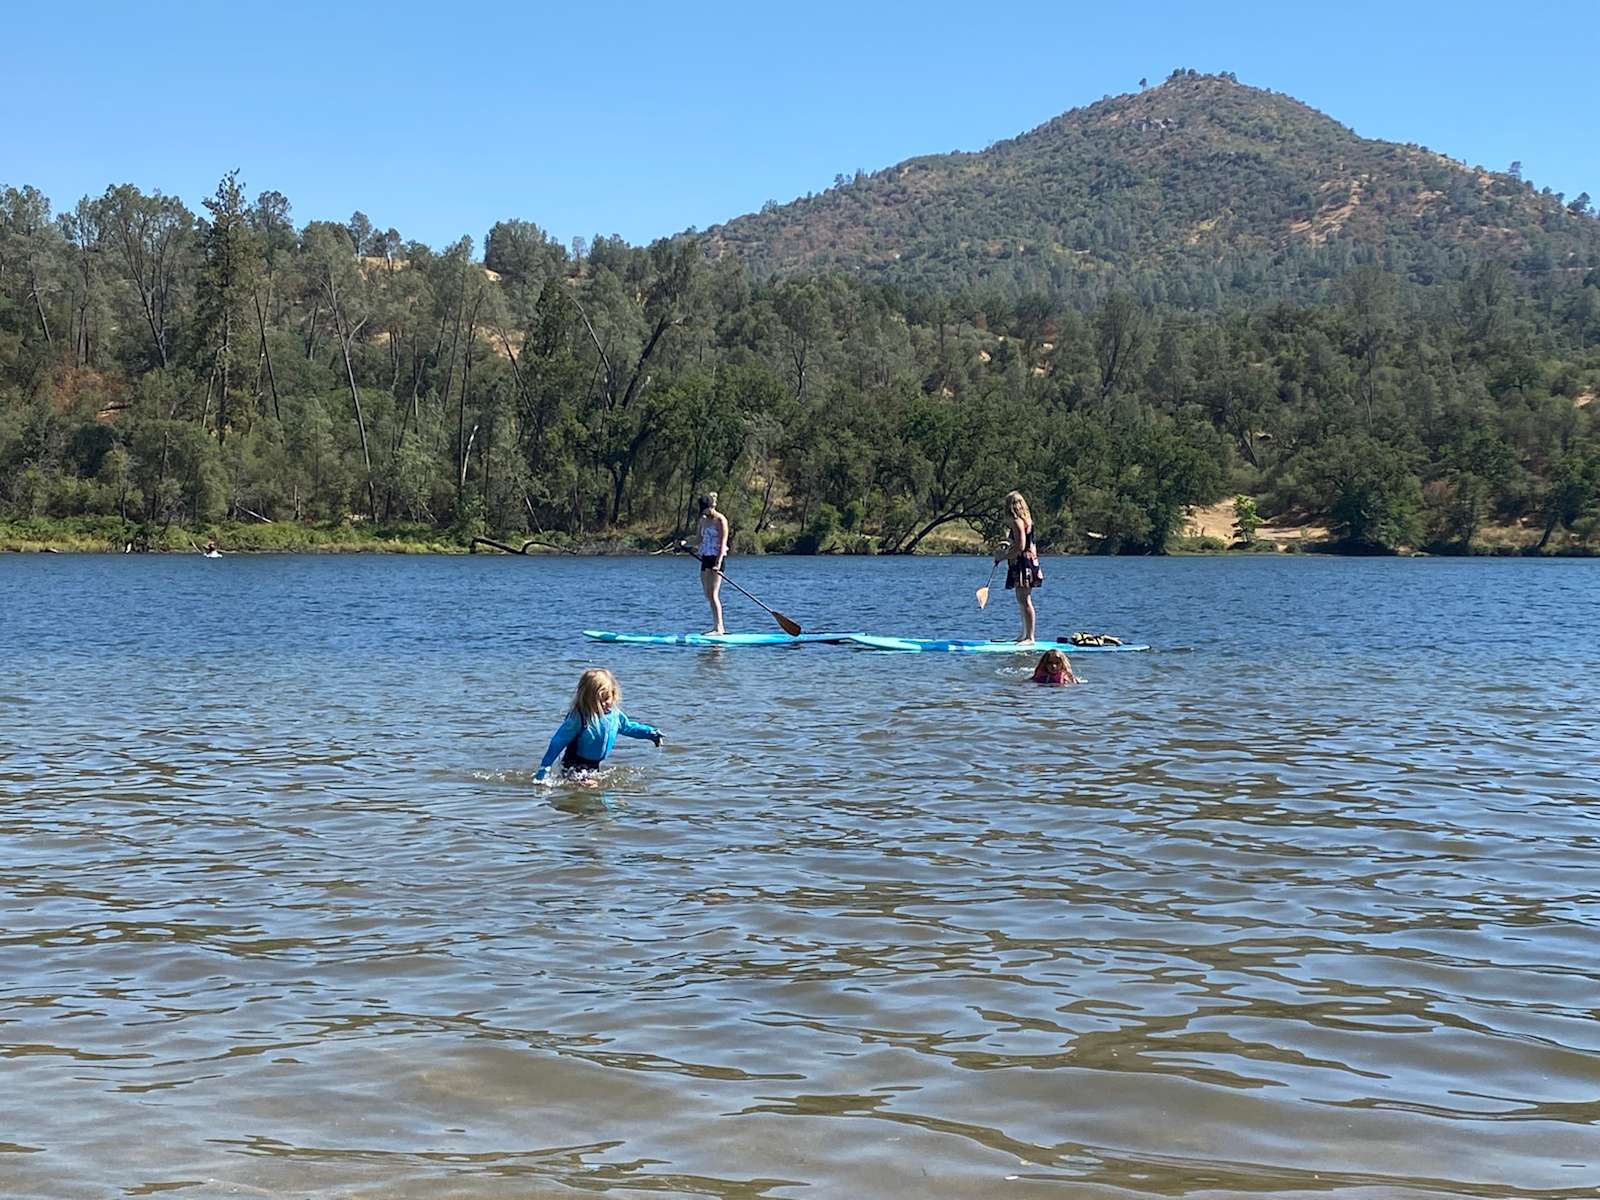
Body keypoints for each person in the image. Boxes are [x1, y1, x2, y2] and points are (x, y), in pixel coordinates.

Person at [536, 668, 663, 782]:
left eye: (606, 698)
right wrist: (545, 767)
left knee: (596, 802)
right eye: (596, 700)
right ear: (585, 698)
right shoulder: (580, 717)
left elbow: (629, 727)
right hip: (574, 763)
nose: (602, 704)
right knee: (591, 787)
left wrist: (650, 733)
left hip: (594, 764)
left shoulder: (615, 715)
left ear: (613, 695)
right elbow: (558, 742)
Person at [998, 490, 1042, 644]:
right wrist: (1007, 545)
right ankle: (1023, 634)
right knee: (1021, 599)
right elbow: (1017, 543)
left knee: (1025, 599)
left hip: (1024, 563)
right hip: (1025, 562)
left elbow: (1021, 546)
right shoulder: (1026, 521)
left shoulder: (1017, 521)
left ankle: (1030, 637)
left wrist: (1003, 557)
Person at [695, 492, 729, 635]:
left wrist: (718, 563)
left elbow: (722, 544)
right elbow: (698, 540)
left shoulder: (721, 520)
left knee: (713, 594)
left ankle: (719, 628)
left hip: (716, 558)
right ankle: (715, 626)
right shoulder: (702, 520)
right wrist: (683, 543)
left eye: (705, 509)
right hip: (705, 558)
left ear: (711, 507)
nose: (704, 512)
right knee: (707, 594)